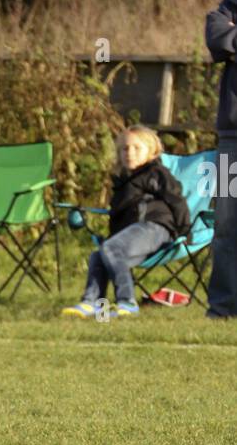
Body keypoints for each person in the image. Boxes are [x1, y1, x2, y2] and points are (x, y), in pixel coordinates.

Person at [62, 127, 190, 318]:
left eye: (137, 148)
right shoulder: (122, 182)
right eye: (125, 149)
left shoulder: (156, 173)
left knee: (110, 249)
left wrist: (185, 231)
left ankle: (127, 302)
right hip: (133, 235)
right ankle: (93, 304)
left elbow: (177, 200)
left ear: (152, 151)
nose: (130, 153)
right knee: (99, 255)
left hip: (155, 228)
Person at [204, 0, 237, 317]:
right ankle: (223, 308)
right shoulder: (231, 1)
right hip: (233, 137)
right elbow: (215, 38)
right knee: (227, 223)